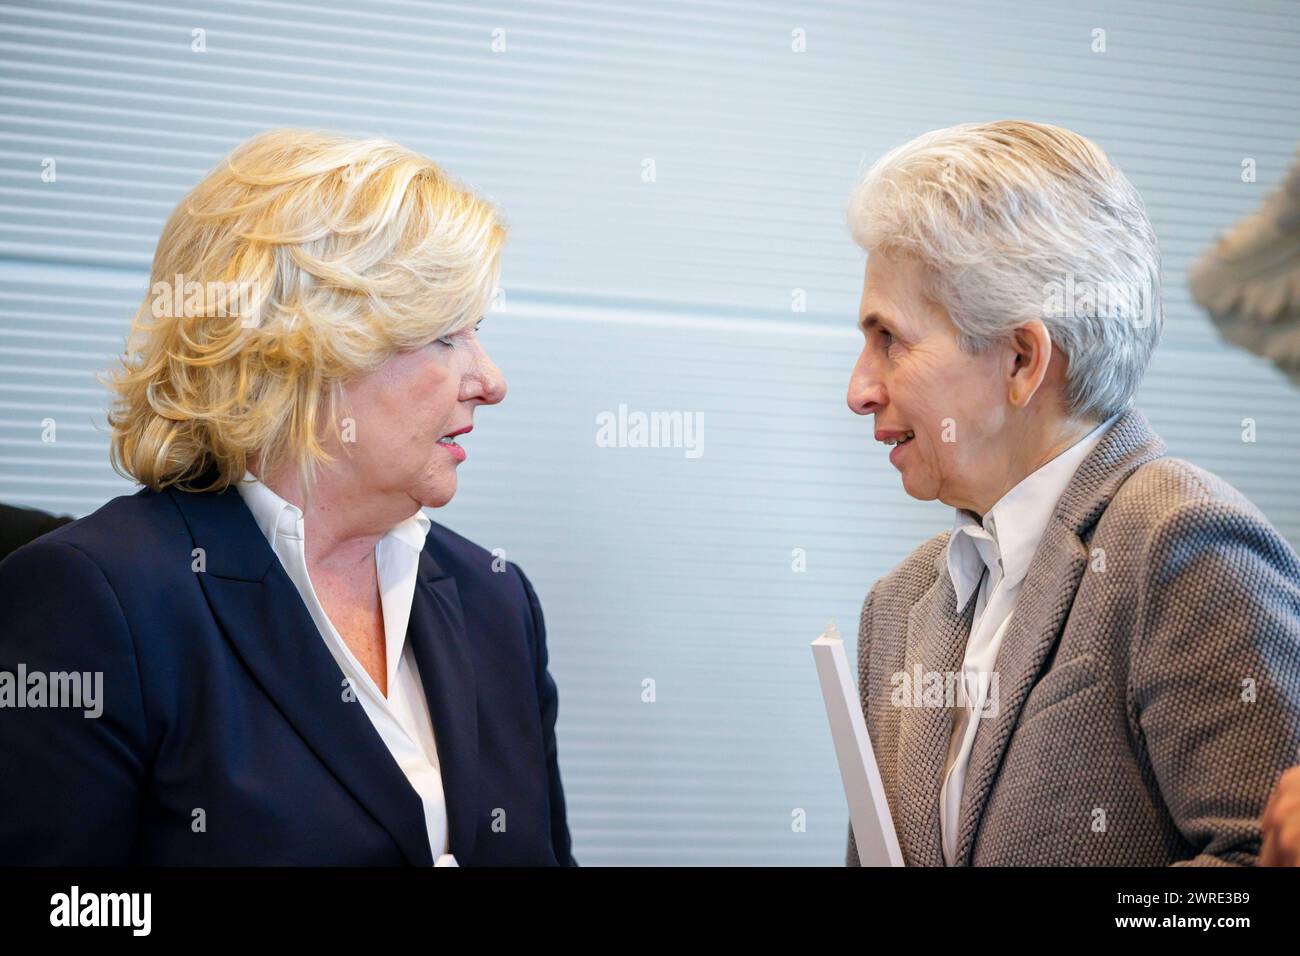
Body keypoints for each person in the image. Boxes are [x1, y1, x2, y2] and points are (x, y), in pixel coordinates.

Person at [0, 129, 574, 866]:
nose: (490, 381)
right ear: (299, 349)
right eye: (442, 336)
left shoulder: (495, 599)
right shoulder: (97, 601)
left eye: (478, 332)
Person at [842, 120, 1300, 866]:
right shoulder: (896, 607)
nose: (859, 389)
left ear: (1022, 359)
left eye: (889, 338)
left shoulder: (1183, 542)